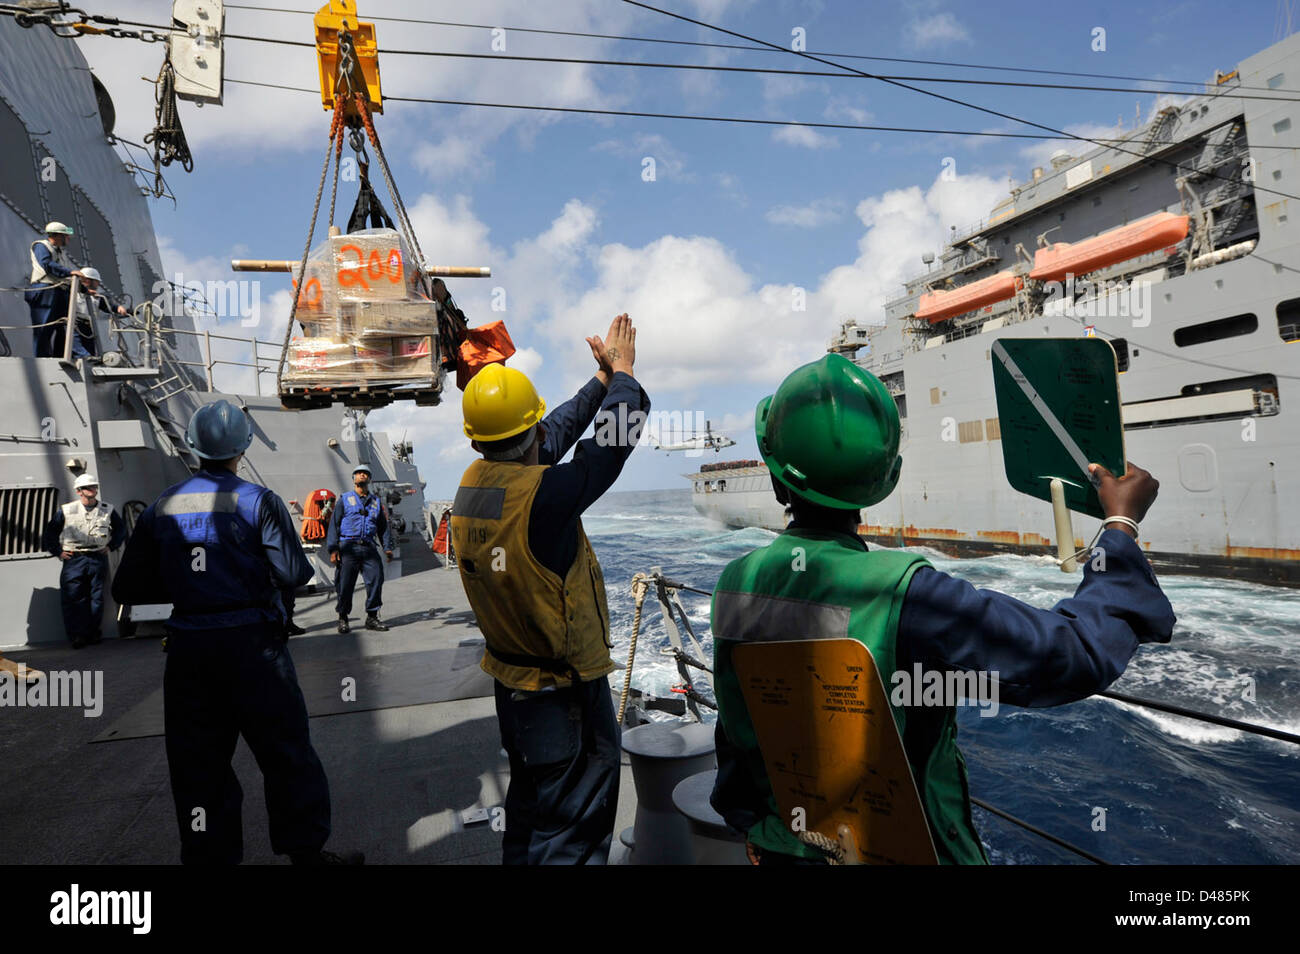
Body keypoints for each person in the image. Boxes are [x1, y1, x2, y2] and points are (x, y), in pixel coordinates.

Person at [709, 353, 1177, 865]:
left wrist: (760, 831)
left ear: (778, 482)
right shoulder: (905, 592)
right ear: (878, 487)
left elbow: (736, 735)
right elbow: (1072, 653)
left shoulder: (734, 585)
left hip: (783, 849)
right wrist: (1121, 527)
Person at [111, 399, 361, 865]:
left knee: (198, 765)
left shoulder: (160, 507)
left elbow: (127, 585)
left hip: (189, 650)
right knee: (287, 752)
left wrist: (190, 583)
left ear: (193, 448)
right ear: (241, 450)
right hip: (253, 646)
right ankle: (306, 853)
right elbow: (292, 573)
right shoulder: (258, 501)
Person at [450, 314, 648, 865]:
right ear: (530, 433)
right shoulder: (544, 498)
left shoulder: (476, 483)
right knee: (572, 834)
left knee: (533, 811)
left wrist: (601, 383)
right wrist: (626, 376)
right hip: (561, 693)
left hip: (511, 683)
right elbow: (606, 450)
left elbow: (553, 434)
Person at [41, 473, 126, 647]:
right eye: (89, 487)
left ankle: (93, 633)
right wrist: (58, 551)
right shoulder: (66, 510)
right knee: (73, 598)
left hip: (97, 557)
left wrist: (111, 546)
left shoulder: (107, 509)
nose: (93, 490)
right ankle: (77, 636)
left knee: (96, 598)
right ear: (79, 491)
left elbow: (120, 528)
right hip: (74, 559)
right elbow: (50, 532)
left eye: (95, 487)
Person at [327, 464, 394, 634]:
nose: (362, 475)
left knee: (376, 580)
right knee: (345, 584)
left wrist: (387, 548)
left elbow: (383, 527)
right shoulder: (344, 500)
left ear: (369, 479)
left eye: (365, 474)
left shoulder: (375, 502)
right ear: (354, 478)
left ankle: (372, 617)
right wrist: (333, 549)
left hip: (369, 547)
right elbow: (334, 525)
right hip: (348, 547)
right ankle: (343, 618)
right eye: (359, 473)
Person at [24, 221, 83, 358]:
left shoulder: (61, 252)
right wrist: (70, 272)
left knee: (64, 324)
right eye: (66, 236)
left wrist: (84, 289)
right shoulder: (41, 246)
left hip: (58, 291)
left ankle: (61, 355)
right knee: (43, 326)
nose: (68, 239)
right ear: (58, 235)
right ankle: (41, 357)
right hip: (45, 289)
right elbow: (46, 264)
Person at [70, 266, 128, 360]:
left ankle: (89, 358)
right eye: (97, 281)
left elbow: (108, 306)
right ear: (88, 281)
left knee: (90, 352)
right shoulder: (72, 292)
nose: (98, 284)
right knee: (77, 347)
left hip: (88, 325)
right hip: (75, 323)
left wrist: (119, 308)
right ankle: (84, 356)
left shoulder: (97, 297)